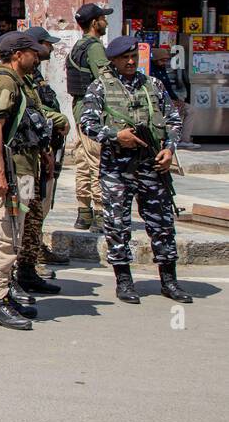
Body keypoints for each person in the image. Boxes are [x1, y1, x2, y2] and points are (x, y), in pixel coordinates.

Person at [79, 35, 192, 305]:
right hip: (118, 168)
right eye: (124, 58)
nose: (130, 62)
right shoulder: (100, 88)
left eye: (134, 57)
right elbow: (87, 124)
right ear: (114, 61)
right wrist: (116, 136)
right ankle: (124, 279)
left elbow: (173, 120)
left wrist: (170, 149)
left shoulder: (153, 85)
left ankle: (169, 279)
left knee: (162, 224)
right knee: (117, 224)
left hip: (152, 165)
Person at [0, 32, 55, 330]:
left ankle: (6, 294)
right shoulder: (4, 80)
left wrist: (44, 155)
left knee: (17, 232)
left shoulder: (21, 81)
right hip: (11, 171)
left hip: (25, 168)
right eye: (31, 52)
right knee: (5, 235)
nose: (36, 57)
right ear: (17, 54)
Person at [15, 26, 72, 285]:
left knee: (39, 208)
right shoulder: (13, 79)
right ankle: (22, 268)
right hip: (23, 161)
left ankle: (32, 258)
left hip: (42, 152)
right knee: (24, 212)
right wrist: (58, 118)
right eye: (46, 44)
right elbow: (26, 113)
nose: (49, 49)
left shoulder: (32, 76)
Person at [65, 2, 112, 231]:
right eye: (103, 18)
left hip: (80, 106)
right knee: (98, 160)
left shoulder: (78, 45)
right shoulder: (94, 47)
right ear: (95, 23)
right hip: (92, 108)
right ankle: (101, 213)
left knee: (83, 159)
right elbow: (106, 82)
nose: (106, 22)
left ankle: (84, 213)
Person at [150, 46, 195, 148]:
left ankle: (185, 140)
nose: (164, 63)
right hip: (159, 102)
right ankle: (170, 139)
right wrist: (170, 102)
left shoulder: (162, 69)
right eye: (162, 60)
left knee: (190, 109)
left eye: (166, 60)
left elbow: (168, 87)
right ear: (156, 59)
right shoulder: (151, 71)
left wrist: (176, 99)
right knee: (175, 113)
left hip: (169, 100)